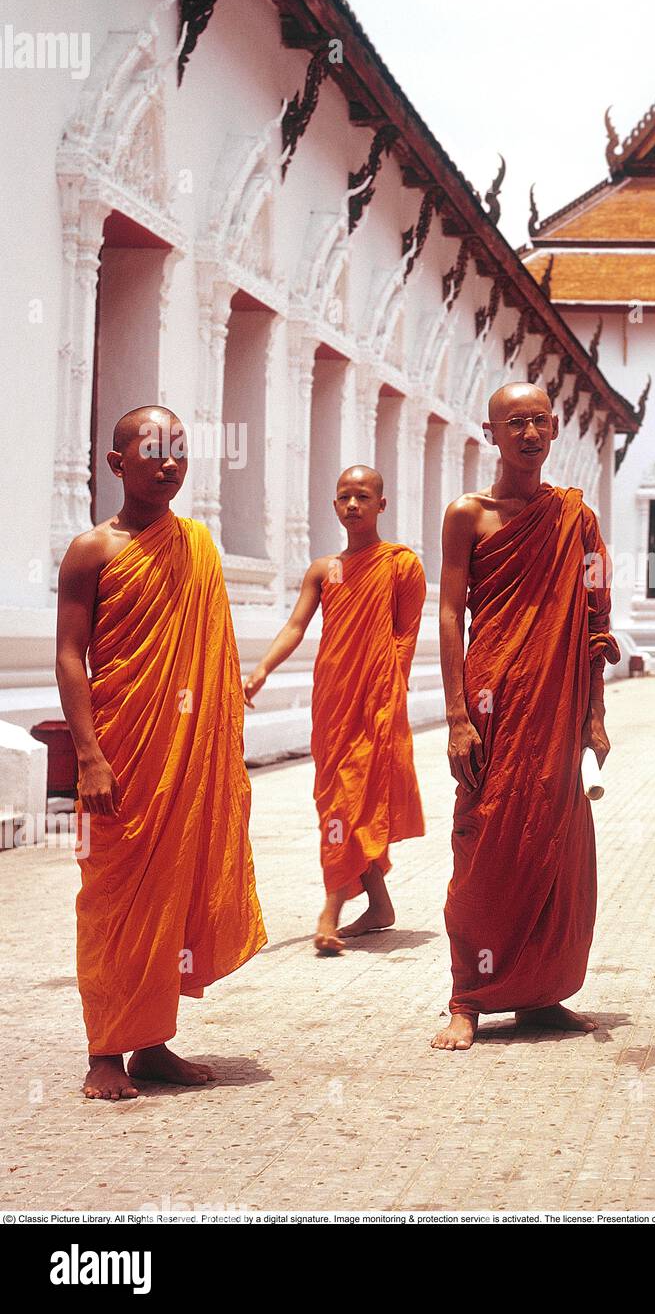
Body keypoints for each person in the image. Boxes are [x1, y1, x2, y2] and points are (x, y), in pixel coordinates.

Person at [55, 406, 266, 1100]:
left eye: (179, 450)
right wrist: (89, 756)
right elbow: (69, 656)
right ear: (118, 463)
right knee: (112, 895)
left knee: (170, 887)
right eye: (153, 450)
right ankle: (104, 1052)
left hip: (184, 753)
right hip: (121, 749)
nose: (169, 464)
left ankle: (150, 1043)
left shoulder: (197, 545)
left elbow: (207, 654)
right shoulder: (92, 550)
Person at [432, 382, 619, 1051]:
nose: (529, 434)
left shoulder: (576, 519)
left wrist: (595, 712)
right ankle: (469, 997)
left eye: (539, 421)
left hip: (557, 706)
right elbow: (448, 612)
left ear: (555, 426)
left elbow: (595, 616)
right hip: (492, 703)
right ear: (491, 433)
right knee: (483, 846)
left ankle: (540, 994)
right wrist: (457, 715)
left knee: (553, 847)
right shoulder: (468, 515)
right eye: (515, 423)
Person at [245, 466, 424, 955]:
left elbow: (405, 636)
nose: (352, 505)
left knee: (354, 799)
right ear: (334, 505)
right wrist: (261, 670)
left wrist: (390, 692)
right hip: (333, 699)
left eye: (362, 496)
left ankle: (331, 908)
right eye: (344, 496)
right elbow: (295, 626)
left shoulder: (401, 564)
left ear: (381, 505)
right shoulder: (325, 569)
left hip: (378, 699)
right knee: (337, 799)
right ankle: (379, 906)